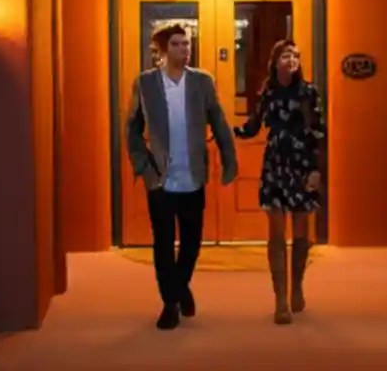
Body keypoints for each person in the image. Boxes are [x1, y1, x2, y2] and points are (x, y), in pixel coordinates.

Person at [126, 23, 238, 330]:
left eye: (186, 44)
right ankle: (170, 303)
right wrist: (143, 168)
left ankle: (179, 286)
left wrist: (230, 161)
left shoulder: (202, 82)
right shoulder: (145, 83)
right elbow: (132, 130)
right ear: (162, 50)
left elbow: (219, 121)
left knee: (191, 242)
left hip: (192, 177)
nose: (183, 50)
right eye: (176, 44)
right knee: (163, 244)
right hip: (160, 179)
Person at [233, 39, 325, 325]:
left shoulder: (308, 91)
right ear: (275, 61)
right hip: (274, 165)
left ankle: (297, 286)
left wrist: (316, 170)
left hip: (302, 165)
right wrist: (227, 131)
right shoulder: (268, 91)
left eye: (296, 55)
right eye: (287, 55)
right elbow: (253, 126)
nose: (292, 59)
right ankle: (280, 301)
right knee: (275, 233)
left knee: (300, 234)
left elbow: (319, 132)